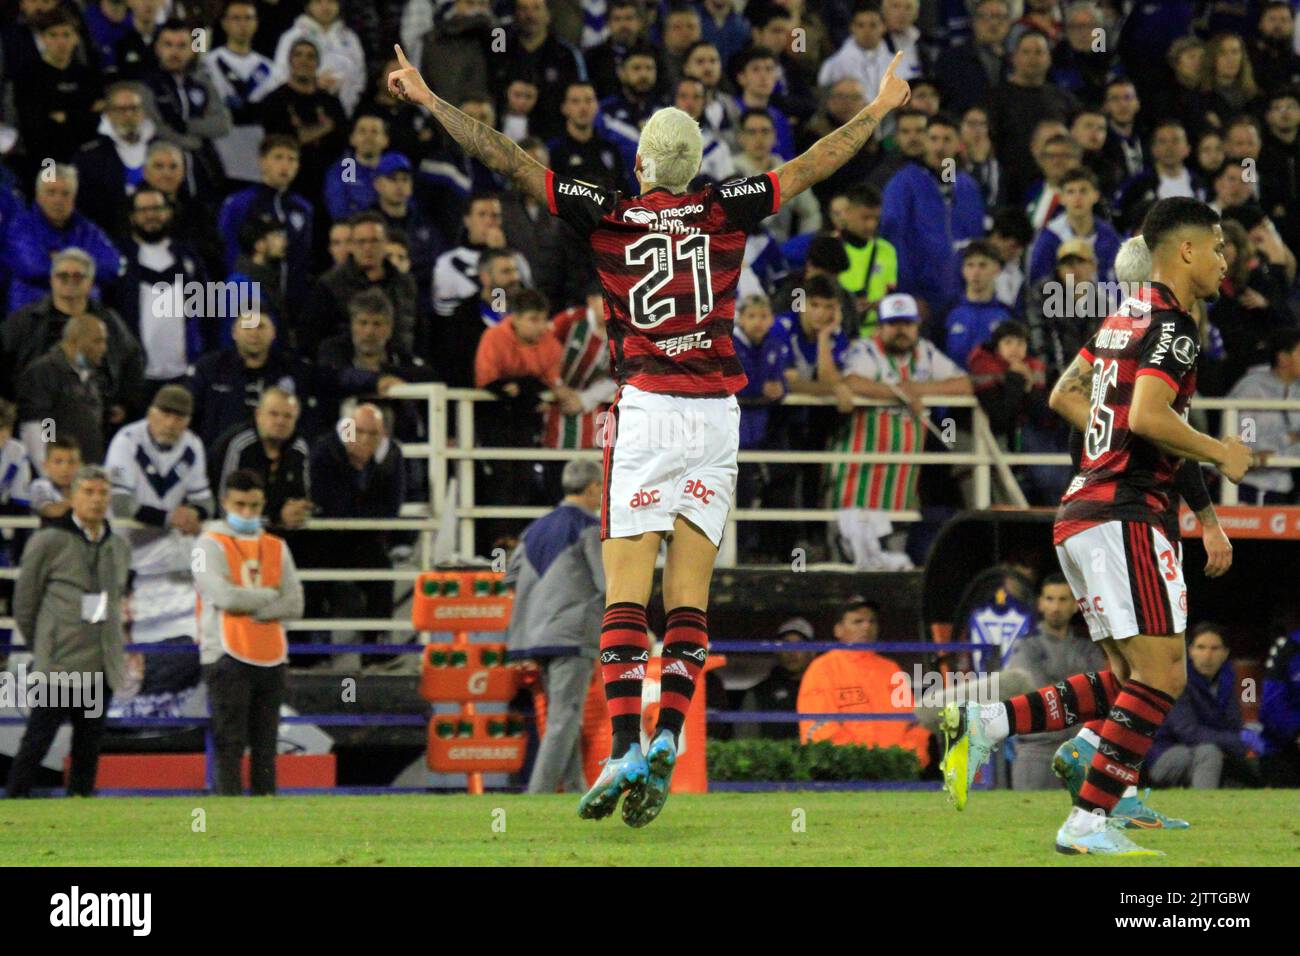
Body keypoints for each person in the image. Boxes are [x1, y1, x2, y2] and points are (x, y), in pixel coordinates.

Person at [387, 40, 912, 826]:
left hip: (646, 409)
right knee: (690, 599)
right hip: (717, 417)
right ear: (697, 166)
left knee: (626, 598)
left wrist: (431, 103)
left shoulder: (609, 212)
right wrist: (876, 109)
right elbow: (811, 165)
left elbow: (509, 160)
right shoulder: (727, 206)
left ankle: (629, 743)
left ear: (639, 165)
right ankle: (670, 732)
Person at [940, 197, 1254, 855]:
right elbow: (1147, 418)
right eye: (1220, 247)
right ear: (1187, 251)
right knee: (1163, 675)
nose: (1227, 260)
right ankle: (1087, 820)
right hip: (1126, 514)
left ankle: (988, 720)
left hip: (1085, 511)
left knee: (1126, 678)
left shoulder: (1122, 318)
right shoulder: (1173, 325)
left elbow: (1068, 394)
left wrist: (1120, 446)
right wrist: (1219, 451)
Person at [6, 465, 131, 797]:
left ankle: (80, 810)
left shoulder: (118, 546)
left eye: (103, 493)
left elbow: (116, 602)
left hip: (99, 664)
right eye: (88, 492)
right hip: (59, 665)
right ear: (72, 497)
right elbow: (25, 602)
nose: (96, 500)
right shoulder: (47, 541)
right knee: (36, 742)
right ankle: (13, 804)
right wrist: (45, 644)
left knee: (88, 748)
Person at [193, 468, 304, 795]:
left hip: (271, 655)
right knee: (230, 742)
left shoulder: (275, 546)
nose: (247, 513)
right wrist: (270, 598)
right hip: (225, 654)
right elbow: (222, 596)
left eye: (254, 506)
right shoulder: (206, 546)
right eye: (240, 504)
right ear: (225, 502)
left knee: (267, 746)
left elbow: (295, 603)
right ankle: (229, 816)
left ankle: (265, 814)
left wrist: (252, 608)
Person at [105, 384, 213, 705]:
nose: (171, 423)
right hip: (120, 546)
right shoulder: (126, 440)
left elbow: (206, 501)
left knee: (177, 620)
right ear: (151, 413)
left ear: (188, 421)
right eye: (165, 414)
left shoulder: (192, 445)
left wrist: (194, 513)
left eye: (179, 417)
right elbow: (120, 504)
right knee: (111, 621)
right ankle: (111, 694)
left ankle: (163, 694)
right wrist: (170, 517)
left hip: (164, 554)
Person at [504, 459, 605, 794]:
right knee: (564, 717)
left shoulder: (534, 529)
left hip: (535, 635)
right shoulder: (590, 528)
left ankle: (577, 788)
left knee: (564, 713)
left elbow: (511, 577)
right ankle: (539, 794)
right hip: (571, 634)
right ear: (592, 488)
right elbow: (608, 583)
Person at [829, 293, 972, 512]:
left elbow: (964, 385)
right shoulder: (865, 349)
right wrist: (901, 394)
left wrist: (919, 390)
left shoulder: (925, 352)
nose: (901, 330)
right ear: (880, 326)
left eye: (907, 323)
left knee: (897, 542)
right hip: (858, 478)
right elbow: (852, 382)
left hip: (902, 483)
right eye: (893, 323)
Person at [796, 597, 931, 764]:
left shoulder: (891, 669)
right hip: (847, 779)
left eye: (872, 621)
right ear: (838, 630)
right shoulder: (823, 669)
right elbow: (818, 728)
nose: (866, 626)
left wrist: (904, 760)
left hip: (897, 775)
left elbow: (915, 725)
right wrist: (865, 764)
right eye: (857, 621)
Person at [1003, 574, 1106, 790]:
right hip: (1037, 750)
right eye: (1050, 599)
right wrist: (1080, 691)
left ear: (1076, 605)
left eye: (1063, 599)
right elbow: (1041, 695)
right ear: (1040, 603)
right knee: (1029, 821)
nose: (1055, 607)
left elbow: (1100, 695)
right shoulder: (1026, 647)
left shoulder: (1088, 649)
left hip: (1081, 749)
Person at [1147, 624, 1260, 790]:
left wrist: (1240, 742)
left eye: (1215, 648)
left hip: (1208, 747)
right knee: (1210, 754)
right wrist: (1237, 741)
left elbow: (1233, 725)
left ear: (1225, 653)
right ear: (1190, 650)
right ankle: (1205, 804)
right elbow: (1188, 732)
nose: (1207, 655)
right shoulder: (1177, 679)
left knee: (1252, 759)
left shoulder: (1227, 680)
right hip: (1164, 753)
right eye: (1201, 647)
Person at [207, 388, 312, 533]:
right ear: (258, 415)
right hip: (229, 533)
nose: (280, 421)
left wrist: (298, 513)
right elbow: (225, 508)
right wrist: (277, 519)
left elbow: (302, 499)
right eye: (273, 414)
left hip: (281, 535)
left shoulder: (299, 448)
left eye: (288, 416)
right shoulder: (239, 444)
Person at [16, 315, 109, 469]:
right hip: (61, 476)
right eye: (97, 341)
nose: (104, 348)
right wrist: (51, 469)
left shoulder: (90, 375)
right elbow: (41, 423)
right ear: (74, 341)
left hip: (85, 474)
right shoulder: (45, 372)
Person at [1225, 328, 1300, 505]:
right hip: (1251, 487)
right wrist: (1287, 439)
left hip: (1286, 486)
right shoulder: (1252, 389)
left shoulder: (1297, 391)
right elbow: (1245, 439)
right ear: (1283, 358)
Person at [737, 617, 814, 740]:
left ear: (812, 652)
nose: (792, 652)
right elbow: (745, 742)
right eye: (786, 644)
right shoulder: (758, 694)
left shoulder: (825, 690)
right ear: (777, 651)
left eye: (800, 644)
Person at [944, 240, 1013, 368]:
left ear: (997, 269)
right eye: (970, 265)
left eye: (983, 265)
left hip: (994, 386)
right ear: (963, 270)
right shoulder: (948, 312)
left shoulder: (1007, 314)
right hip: (957, 385)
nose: (975, 272)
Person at [28, 437, 82, 525]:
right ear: (45, 465)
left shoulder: (83, 487)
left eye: (71, 462)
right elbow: (50, 511)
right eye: (58, 462)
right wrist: (84, 502)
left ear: (79, 465)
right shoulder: (39, 486)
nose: (65, 468)